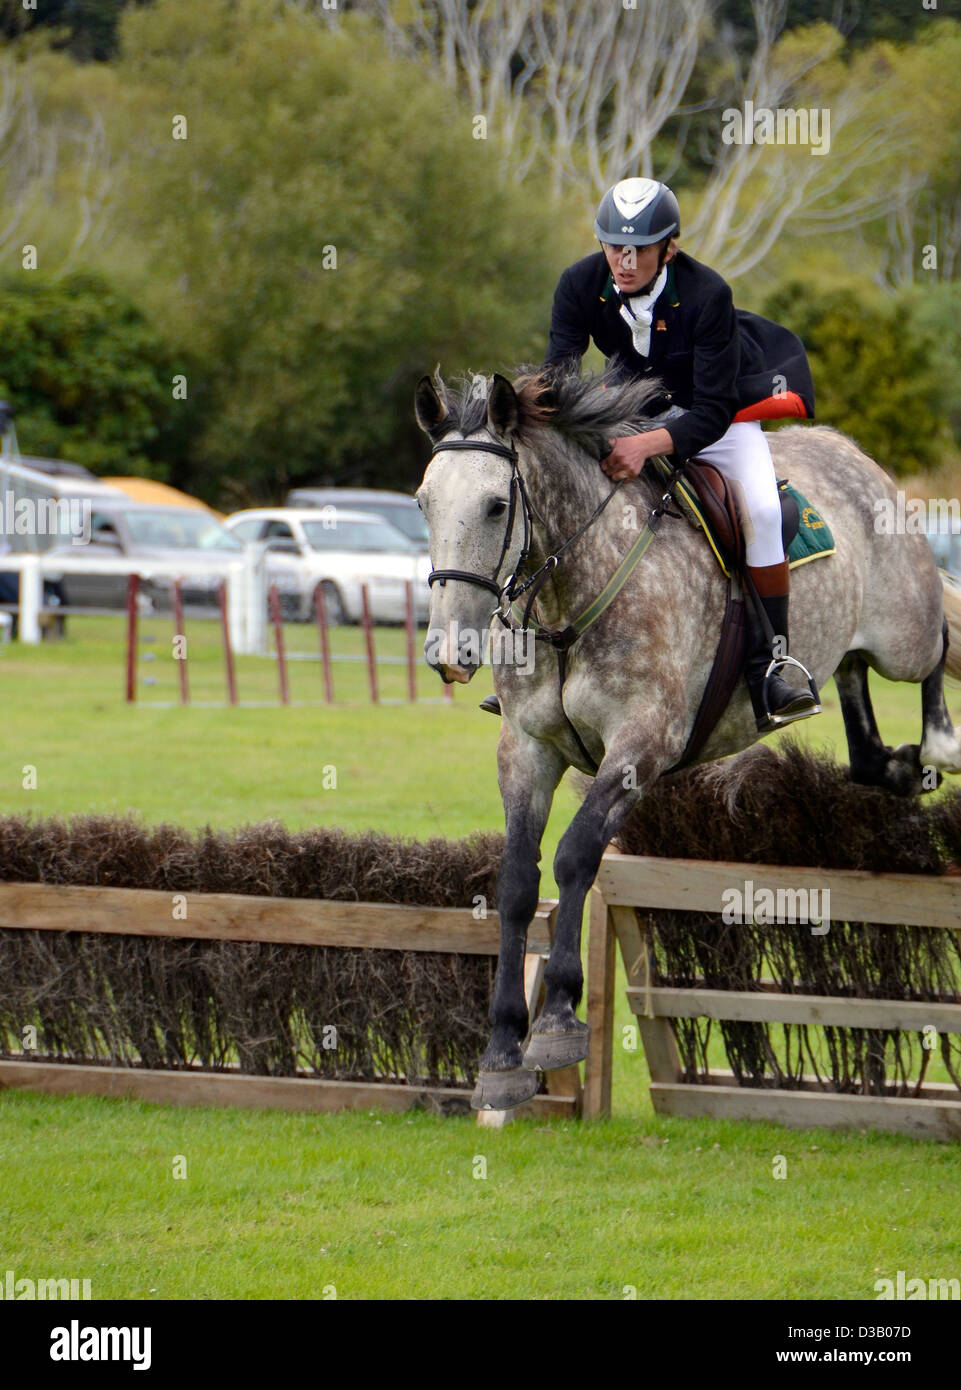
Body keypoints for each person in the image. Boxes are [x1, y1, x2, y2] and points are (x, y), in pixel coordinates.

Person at [539, 175, 819, 732]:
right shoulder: (578, 284)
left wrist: (646, 446)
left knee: (762, 513)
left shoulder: (708, 294)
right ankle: (540, 663)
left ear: (670, 246)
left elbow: (712, 412)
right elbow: (558, 378)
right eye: (613, 245)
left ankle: (774, 665)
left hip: (718, 418)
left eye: (639, 247)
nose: (623, 259)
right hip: (628, 409)